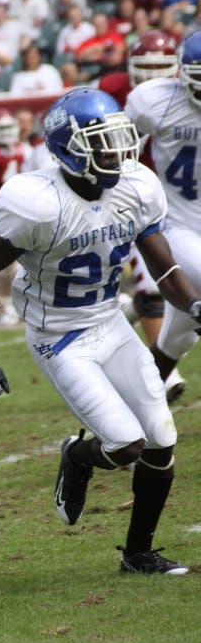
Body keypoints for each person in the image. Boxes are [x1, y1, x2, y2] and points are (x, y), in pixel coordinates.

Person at [0, 86, 201, 575]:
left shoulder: (134, 186)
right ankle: (79, 456)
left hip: (110, 322)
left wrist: (192, 302)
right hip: (59, 336)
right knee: (128, 445)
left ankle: (138, 553)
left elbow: (165, 270)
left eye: (117, 140)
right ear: (70, 148)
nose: (116, 153)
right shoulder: (37, 201)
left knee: (162, 440)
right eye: (101, 143)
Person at [125, 30, 201, 404]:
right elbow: (120, 156)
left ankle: (136, 405)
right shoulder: (153, 101)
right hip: (180, 227)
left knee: (178, 337)